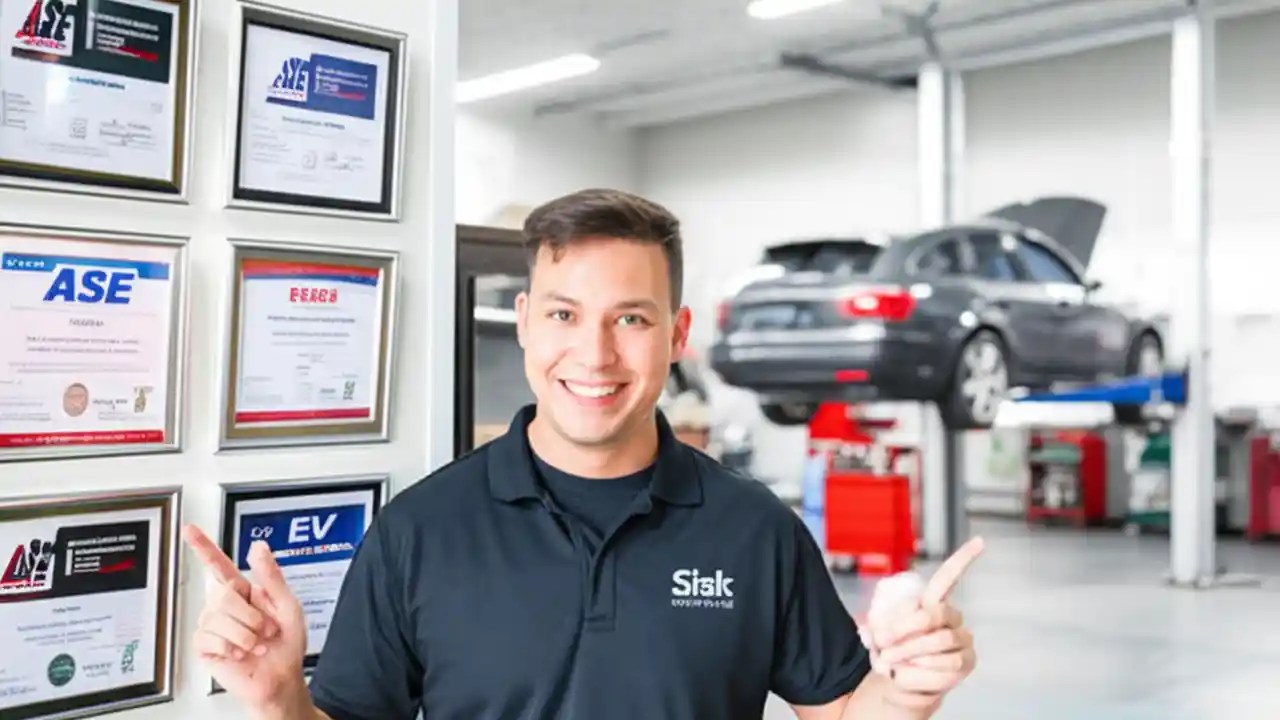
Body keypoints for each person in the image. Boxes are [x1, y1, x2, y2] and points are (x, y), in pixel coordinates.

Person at [183, 188, 982, 720]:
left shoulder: (754, 532)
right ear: (527, 322)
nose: (594, 354)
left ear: (676, 336)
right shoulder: (419, 532)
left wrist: (905, 692)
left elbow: (841, 711)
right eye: (565, 315)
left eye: (630, 319)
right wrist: (284, 698)